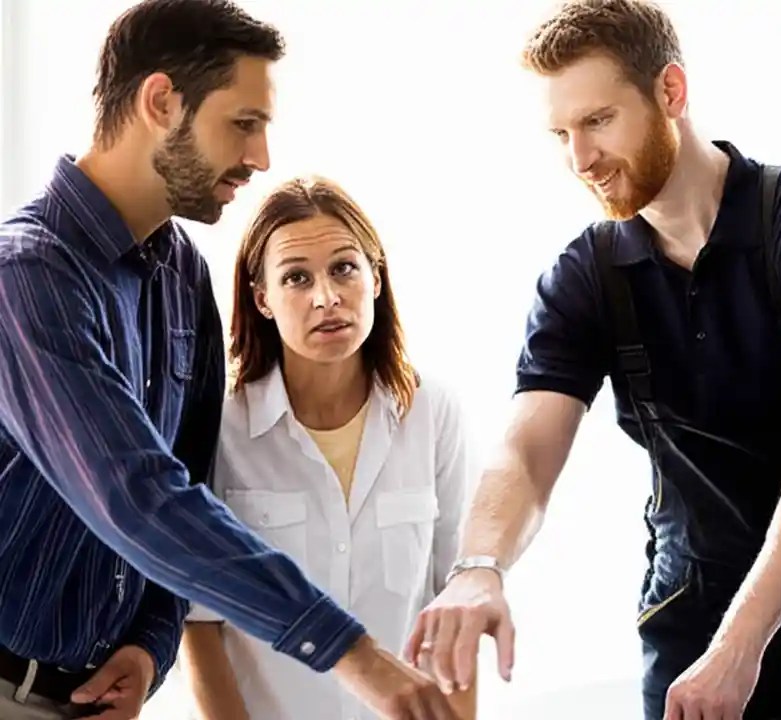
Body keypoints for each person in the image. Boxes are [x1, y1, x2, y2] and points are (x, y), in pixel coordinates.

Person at [411, 1, 781, 718]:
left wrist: (741, 646)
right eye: (562, 134)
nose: (581, 159)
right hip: (691, 628)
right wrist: (480, 566)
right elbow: (528, 450)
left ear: (671, 92)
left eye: (598, 121)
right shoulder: (584, 276)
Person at [0, 2, 455, 718]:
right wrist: (356, 655)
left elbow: (190, 474)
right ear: (160, 102)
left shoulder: (181, 271)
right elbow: (139, 496)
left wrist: (149, 648)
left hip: (95, 699)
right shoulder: (28, 277)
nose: (261, 157)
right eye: (244, 124)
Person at [179, 175, 477, 720]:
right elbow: (197, 623)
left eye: (344, 267)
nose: (326, 297)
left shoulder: (434, 412)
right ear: (263, 299)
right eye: (297, 277)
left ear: (376, 277)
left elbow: (455, 605)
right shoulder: (218, 426)